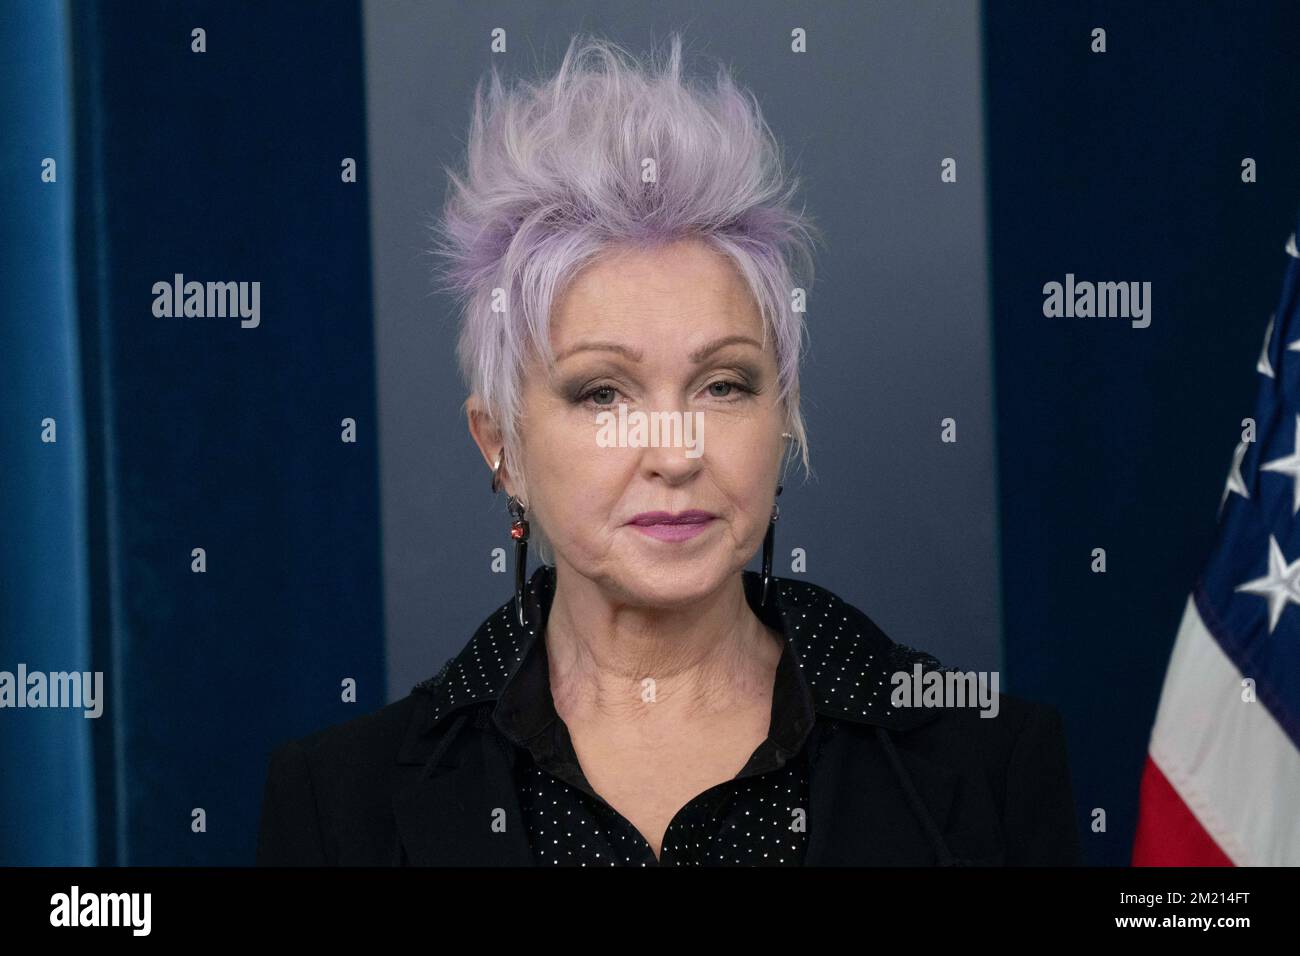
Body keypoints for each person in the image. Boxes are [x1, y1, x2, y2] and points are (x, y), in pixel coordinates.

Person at [256, 33, 1081, 866]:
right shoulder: (338, 805)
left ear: (782, 416)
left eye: (723, 385)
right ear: (500, 443)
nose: (675, 453)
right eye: (602, 393)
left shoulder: (989, 765)